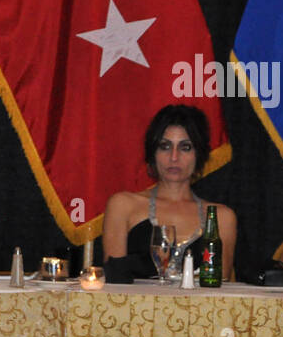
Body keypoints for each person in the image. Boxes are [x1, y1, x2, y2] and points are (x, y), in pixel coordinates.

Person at [101, 104, 237, 280]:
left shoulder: (221, 217)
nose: (174, 157)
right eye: (165, 146)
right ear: (153, 153)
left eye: (185, 147)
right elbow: (113, 284)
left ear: (199, 154)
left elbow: (221, 289)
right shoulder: (123, 206)